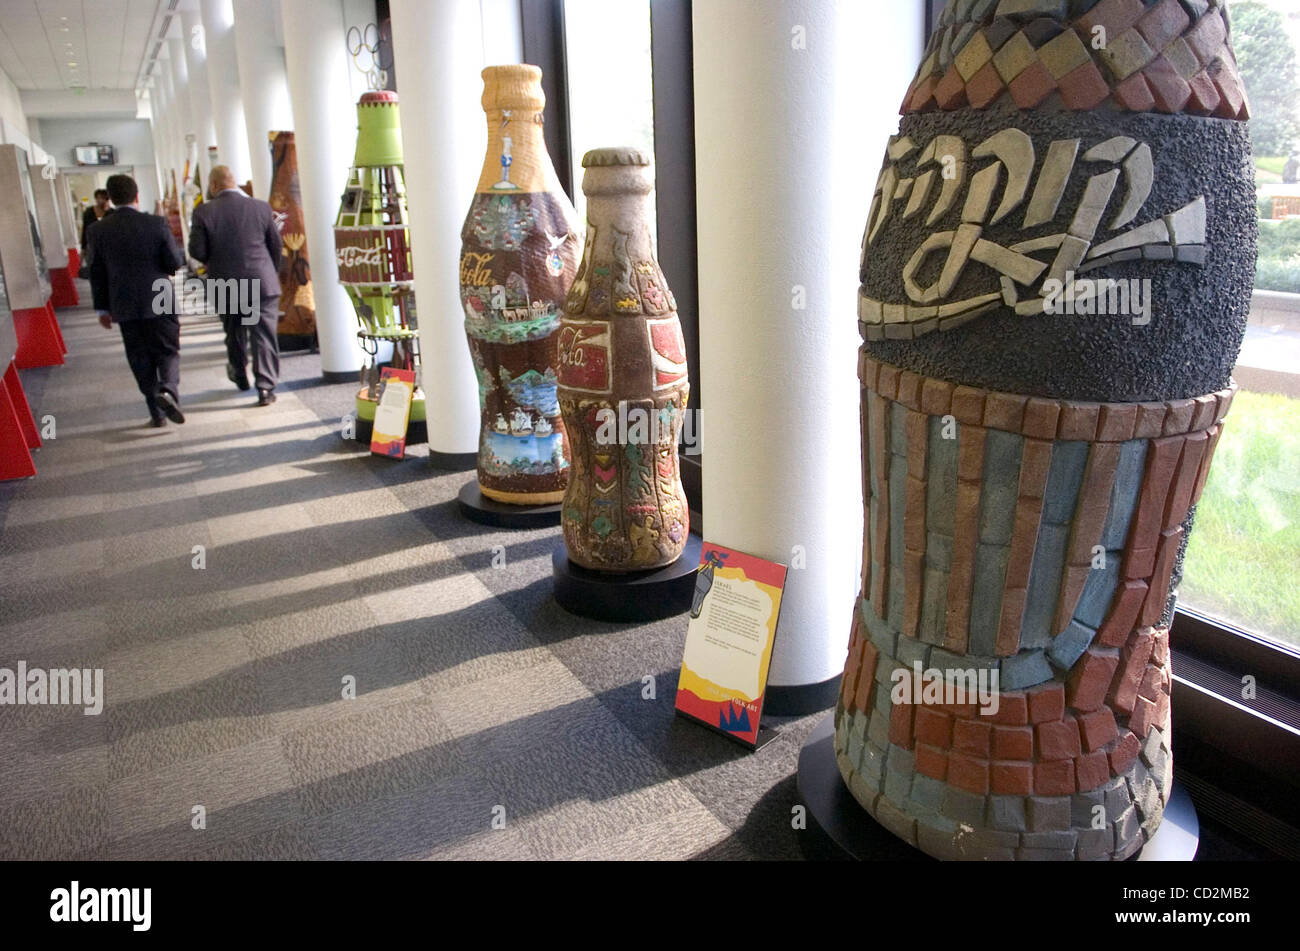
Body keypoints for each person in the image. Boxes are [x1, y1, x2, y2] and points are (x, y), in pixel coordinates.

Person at [89, 174, 187, 428]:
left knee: (139, 356)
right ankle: (167, 390)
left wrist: (102, 308)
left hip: (124, 303)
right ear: (137, 196)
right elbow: (174, 263)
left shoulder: (98, 230)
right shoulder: (156, 223)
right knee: (167, 350)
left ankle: (156, 413)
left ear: (110, 199)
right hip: (160, 297)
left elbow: (96, 272)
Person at [189, 164, 283, 406]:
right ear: (234, 182)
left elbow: (197, 251)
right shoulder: (260, 206)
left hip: (226, 282)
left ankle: (240, 374)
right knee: (263, 334)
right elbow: (276, 245)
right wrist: (270, 272)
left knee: (234, 331)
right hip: (261, 281)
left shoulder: (203, 212)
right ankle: (265, 387)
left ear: (213, 186)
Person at [80, 187, 110, 254]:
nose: (102, 201)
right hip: (92, 246)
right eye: (100, 198)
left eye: (105, 198)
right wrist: (83, 249)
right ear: (96, 199)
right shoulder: (88, 212)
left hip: (108, 246)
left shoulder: (111, 212)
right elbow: (85, 230)